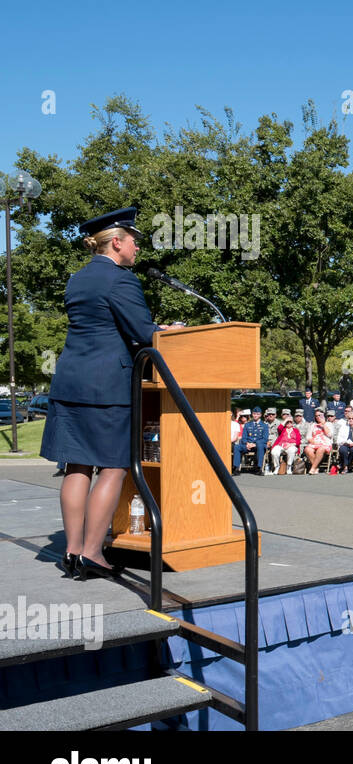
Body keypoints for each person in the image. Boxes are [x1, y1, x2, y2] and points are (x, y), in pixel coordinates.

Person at [40, 208, 188, 579]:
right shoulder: (121, 280)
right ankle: (93, 553)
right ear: (117, 243)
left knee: (76, 465)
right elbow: (141, 331)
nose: (138, 248)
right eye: (135, 241)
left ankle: (72, 551)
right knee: (113, 467)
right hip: (106, 387)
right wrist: (168, 330)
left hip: (71, 380)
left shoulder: (77, 279)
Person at [303, 409, 333, 474]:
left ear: (324, 415)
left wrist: (323, 425)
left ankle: (313, 468)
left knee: (321, 449)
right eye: (316, 416)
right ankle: (316, 468)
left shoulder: (329, 424)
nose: (318, 417)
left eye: (319, 415)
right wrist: (313, 441)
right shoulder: (313, 425)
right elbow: (308, 436)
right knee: (307, 449)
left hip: (325, 443)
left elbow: (330, 435)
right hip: (314, 443)